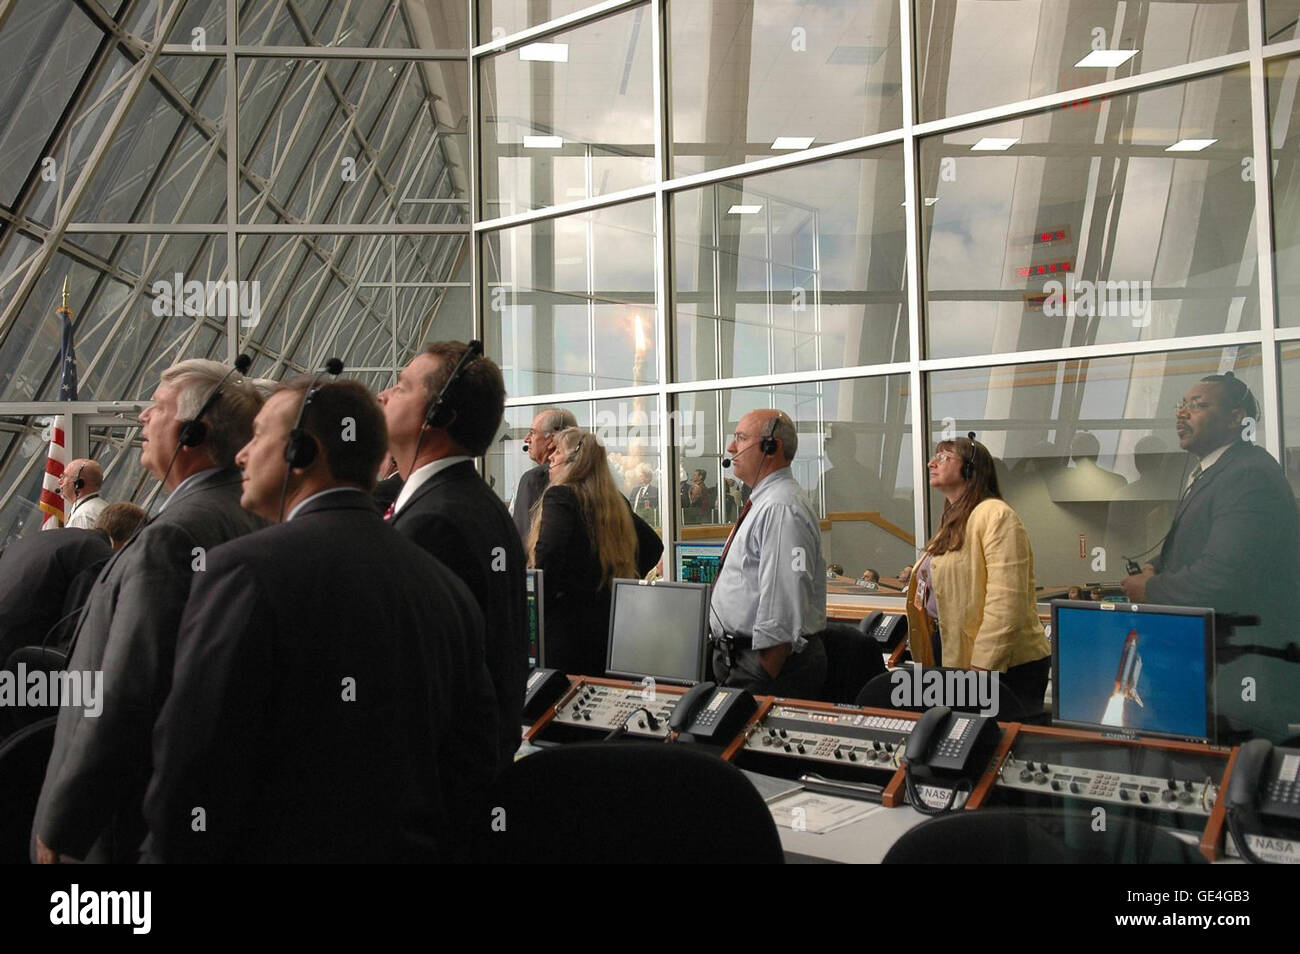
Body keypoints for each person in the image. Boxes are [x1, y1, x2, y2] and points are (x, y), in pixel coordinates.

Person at [143, 378, 498, 862]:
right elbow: (470, 763)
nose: (242, 456)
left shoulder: (243, 571)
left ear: (300, 452)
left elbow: (196, 758)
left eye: (259, 436)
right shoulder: (447, 590)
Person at [33, 358, 265, 864]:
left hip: (127, 824)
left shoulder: (175, 537)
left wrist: (63, 825)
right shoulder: (243, 513)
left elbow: (128, 691)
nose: (142, 418)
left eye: (156, 408)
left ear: (193, 432)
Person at [1121, 373, 1300, 741]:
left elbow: (1223, 575)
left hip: (1243, 678)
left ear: (1237, 418)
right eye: (1181, 405)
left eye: (1198, 405)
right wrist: (1158, 563)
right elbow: (1205, 544)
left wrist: (1152, 590)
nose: (1182, 414)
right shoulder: (1215, 472)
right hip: (1211, 670)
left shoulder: (1248, 474)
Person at [379, 341, 528, 770]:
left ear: (439, 415)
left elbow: (417, 680)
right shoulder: (470, 503)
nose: (385, 395)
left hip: (438, 783)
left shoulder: (435, 523)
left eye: (403, 386)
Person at [905, 434, 1051, 714]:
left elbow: (1006, 603)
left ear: (970, 469)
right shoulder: (956, 517)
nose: (930, 463)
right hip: (959, 659)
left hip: (1000, 666)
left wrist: (981, 668)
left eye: (944, 457)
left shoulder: (996, 516)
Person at [709, 410, 827, 698]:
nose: (731, 447)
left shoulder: (780, 507)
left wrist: (764, 669)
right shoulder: (766, 501)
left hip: (767, 666)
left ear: (771, 447)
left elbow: (784, 598)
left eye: (741, 438)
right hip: (744, 659)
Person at [527, 427, 662, 677]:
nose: (551, 459)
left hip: (565, 634)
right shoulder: (614, 502)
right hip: (610, 627)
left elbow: (548, 558)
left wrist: (536, 609)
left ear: (575, 460)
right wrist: (617, 582)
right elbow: (653, 545)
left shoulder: (560, 497)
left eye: (557, 451)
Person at [512, 407, 577, 539]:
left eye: (532, 433)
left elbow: (523, 537)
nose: (526, 439)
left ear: (551, 440)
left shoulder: (534, 479)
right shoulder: (593, 478)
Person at [59, 459, 108, 531]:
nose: (59, 481)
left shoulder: (82, 516)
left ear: (78, 484)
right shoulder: (103, 507)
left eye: (64, 477)